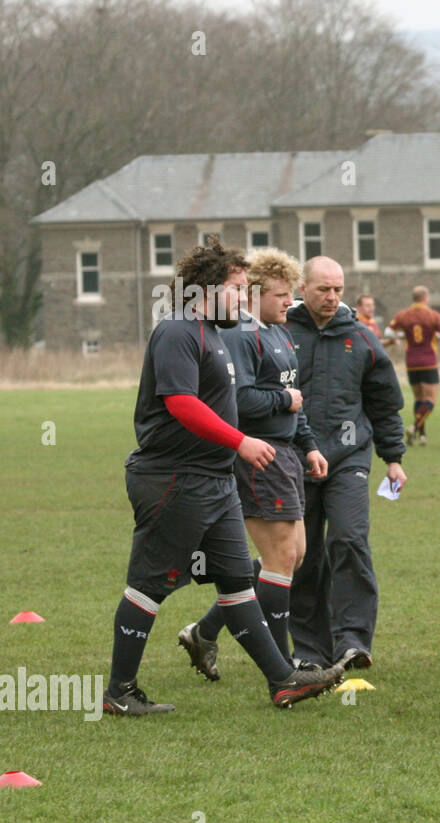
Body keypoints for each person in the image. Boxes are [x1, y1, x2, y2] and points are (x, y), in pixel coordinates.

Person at [104, 239, 342, 714]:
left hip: (215, 480)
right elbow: (182, 403)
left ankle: (282, 679)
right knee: (150, 585)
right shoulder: (177, 331)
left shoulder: (215, 331)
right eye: (236, 288)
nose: (243, 295)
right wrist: (241, 441)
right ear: (207, 290)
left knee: (236, 581)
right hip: (174, 477)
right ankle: (120, 692)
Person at [178, 249, 329, 684]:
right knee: (281, 555)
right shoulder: (243, 336)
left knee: (290, 555)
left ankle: (204, 631)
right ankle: (283, 666)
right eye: (281, 295)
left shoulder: (280, 333)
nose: (289, 302)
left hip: (284, 454)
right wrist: (285, 401)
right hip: (257, 454)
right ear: (254, 296)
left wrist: (310, 445)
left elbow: (292, 398)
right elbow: (238, 400)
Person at [287, 256, 407, 670]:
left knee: (349, 539)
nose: (332, 297)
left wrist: (393, 458)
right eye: (324, 289)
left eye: (338, 289)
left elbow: (385, 403)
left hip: (348, 458)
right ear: (303, 288)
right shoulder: (280, 334)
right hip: (295, 460)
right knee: (303, 555)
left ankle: (353, 642)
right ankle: (308, 651)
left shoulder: (362, 337)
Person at [385, 285, 440, 445]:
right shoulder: (433, 315)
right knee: (431, 399)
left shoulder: (403, 315)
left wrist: (402, 335)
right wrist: (435, 336)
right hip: (428, 361)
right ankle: (414, 427)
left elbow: (388, 332)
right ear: (426, 298)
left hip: (411, 362)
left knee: (419, 399)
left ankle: (422, 436)